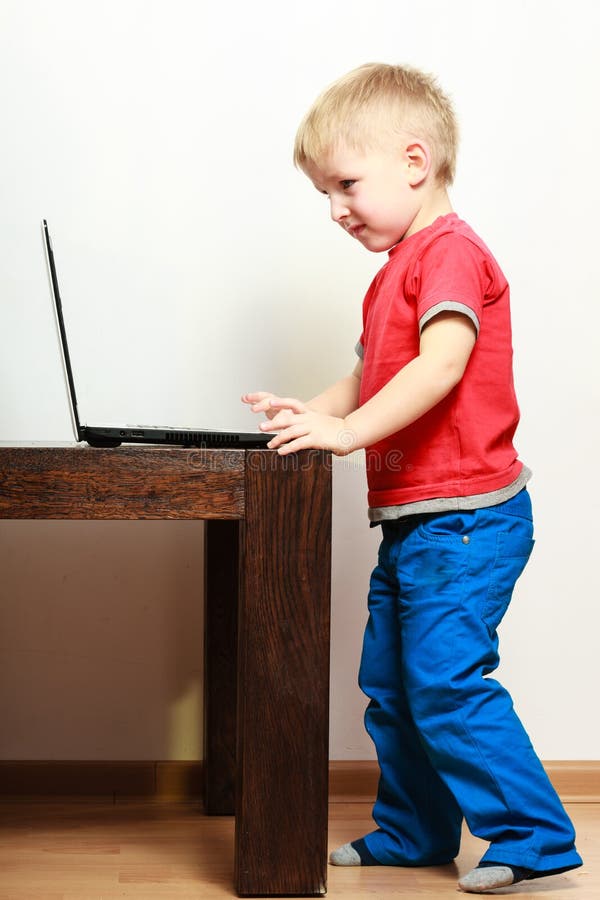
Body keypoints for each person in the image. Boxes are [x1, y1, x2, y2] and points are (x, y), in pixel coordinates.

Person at [242, 62, 582, 894]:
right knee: (393, 687)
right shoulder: (392, 274)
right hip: (415, 524)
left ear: (415, 162)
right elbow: (366, 380)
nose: (336, 210)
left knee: (444, 680)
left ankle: (533, 838)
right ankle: (415, 832)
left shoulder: (453, 254)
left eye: (347, 185)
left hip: (469, 521)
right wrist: (308, 417)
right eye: (325, 194)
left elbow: (440, 366)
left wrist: (349, 434)